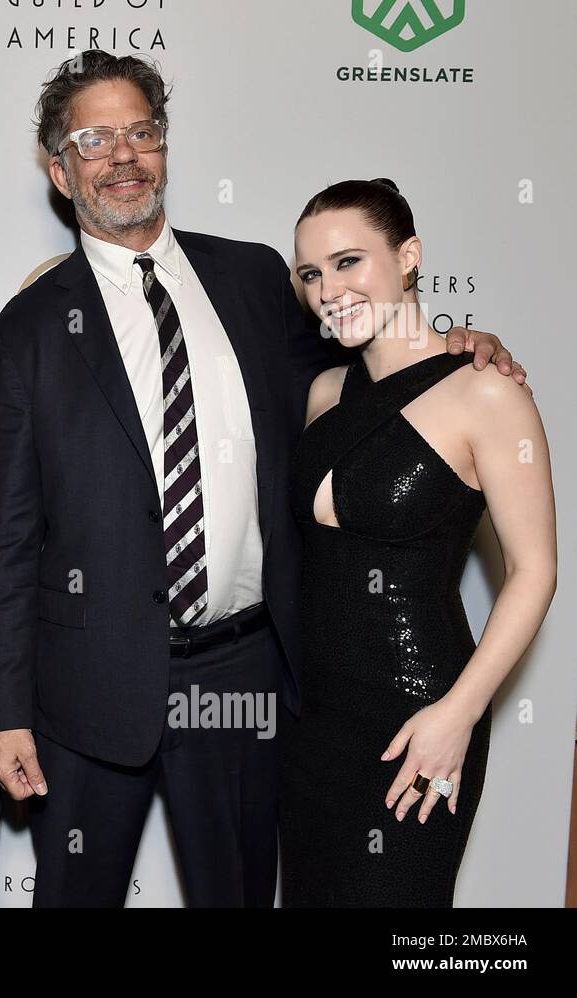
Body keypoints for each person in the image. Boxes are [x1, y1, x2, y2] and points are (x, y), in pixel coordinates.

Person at [0, 50, 527, 907]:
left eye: (142, 132)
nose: (124, 155)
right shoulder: (33, 324)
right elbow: (4, 537)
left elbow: (371, 372)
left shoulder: (256, 278)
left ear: (165, 146)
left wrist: (462, 343)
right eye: (95, 138)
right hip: (87, 685)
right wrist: (4, 710)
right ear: (59, 167)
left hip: (245, 675)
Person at [280, 178, 555, 906]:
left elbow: (535, 572)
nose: (328, 288)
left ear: (408, 256)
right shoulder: (325, 394)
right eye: (311, 273)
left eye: (348, 262)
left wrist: (456, 716)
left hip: (419, 714)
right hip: (316, 725)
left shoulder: (487, 392)